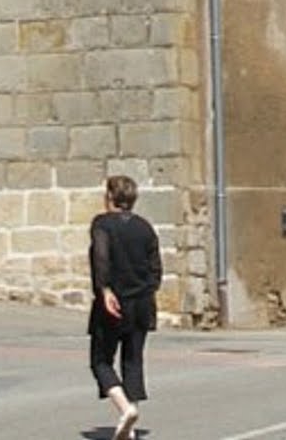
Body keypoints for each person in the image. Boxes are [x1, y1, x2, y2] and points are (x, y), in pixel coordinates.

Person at [89, 173, 163, 440]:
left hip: (114, 301)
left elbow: (101, 256)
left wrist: (105, 289)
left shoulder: (102, 224)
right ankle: (129, 422)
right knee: (133, 360)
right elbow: (156, 270)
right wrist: (146, 292)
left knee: (100, 361)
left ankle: (125, 408)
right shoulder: (145, 227)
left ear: (110, 196)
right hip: (142, 303)